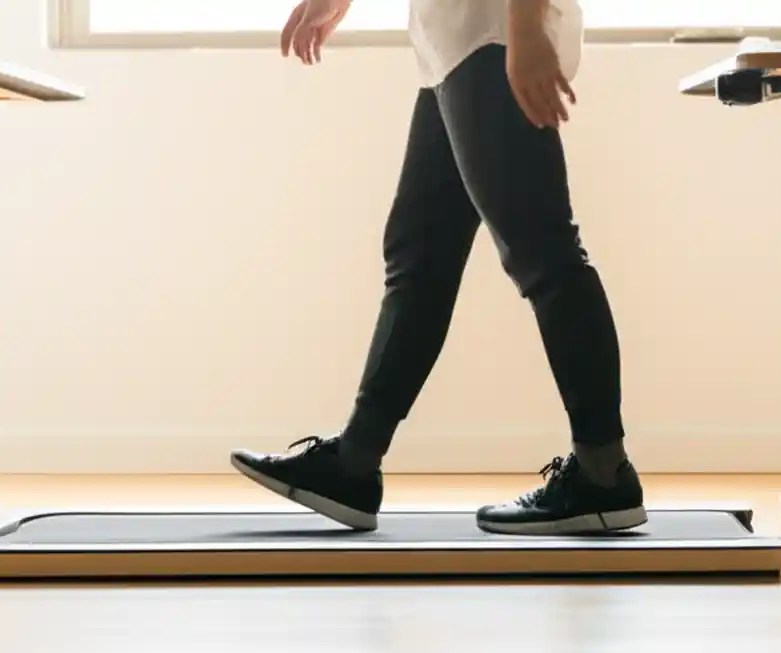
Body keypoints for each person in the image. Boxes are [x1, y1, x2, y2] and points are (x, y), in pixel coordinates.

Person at [231, 0, 646, 535]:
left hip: (491, 33)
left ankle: (603, 470)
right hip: (455, 40)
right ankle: (353, 464)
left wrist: (524, 31)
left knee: (545, 256)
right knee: (419, 257)